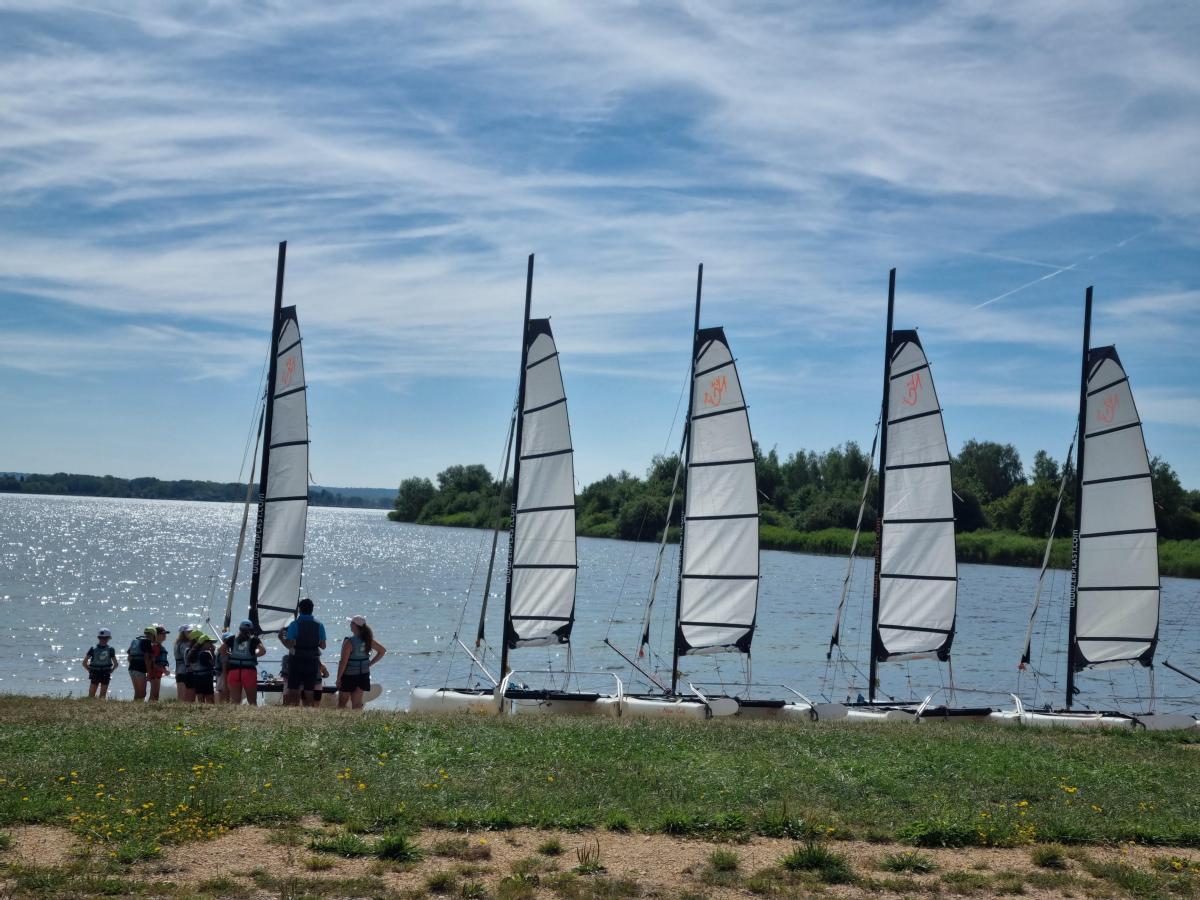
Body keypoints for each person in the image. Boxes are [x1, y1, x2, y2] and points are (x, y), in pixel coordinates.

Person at [281, 598, 326, 707]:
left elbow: (290, 644)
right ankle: (309, 711)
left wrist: (281, 638)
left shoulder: (294, 624)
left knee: (294, 688)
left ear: (300, 609)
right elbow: (323, 646)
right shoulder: (319, 625)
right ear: (312, 609)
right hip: (312, 660)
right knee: (309, 689)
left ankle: (294, 711)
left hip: (296, 660)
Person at [336, 616, 386, 710]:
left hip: (349, 675)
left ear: (355, 626)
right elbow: (382, 651)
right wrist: (370, 663)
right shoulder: (368, 640)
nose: (350, 625)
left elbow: (343, 662)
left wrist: (338, 678)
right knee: (357, 703)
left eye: (351, 623)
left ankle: (341, 722)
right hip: (363, 675)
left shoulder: (349, 642)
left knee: (342, 704)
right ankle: (356, 723)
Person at [222, 620, 266, 705]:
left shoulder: (232, 638)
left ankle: (234, 717)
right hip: (248, 672)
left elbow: (221, 650)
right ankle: (253, 717)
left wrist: (231, 655)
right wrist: (253, 655)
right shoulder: (254, 640)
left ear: (240, 629)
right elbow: (263, 651)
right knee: (252, 701)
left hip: (233, 671)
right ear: (251, 630)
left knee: (235, 701)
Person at [82, 629, 119, 699]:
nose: (103, 639)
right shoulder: (110, 649)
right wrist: (111, 670)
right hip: (105, 672)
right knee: (102, 694)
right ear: (109, 638)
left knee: (91, 693)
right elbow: (116, 664)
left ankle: (91, 706)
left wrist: (89, 670)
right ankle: (99, 706)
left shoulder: (93, 648)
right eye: (103, 638)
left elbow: (84, 663)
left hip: (95, 672)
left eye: (103, 638)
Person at [187, 631, 217, 705]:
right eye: (209, 643)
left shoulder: (192, 653)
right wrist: (213, 652)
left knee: (200, 697)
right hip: (206, 678)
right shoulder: (205, 654)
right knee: (209, 697)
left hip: (197, 678)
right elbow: (213, 664)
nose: (211, 645)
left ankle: (201, 711)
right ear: (204, 643)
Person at [127, 627, 155, 701]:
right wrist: (149, 673)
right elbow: (146, 658)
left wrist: (134, 664)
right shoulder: (147, 642)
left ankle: (134, 707)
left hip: (131, 668)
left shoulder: (136, 641)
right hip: (139, 669)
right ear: (153, 635)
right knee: (142, 693)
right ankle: (138, 709)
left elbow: (129, 658)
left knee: (137, 692)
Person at [148, 625, 169, 702]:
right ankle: (149, 709)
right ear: (156, 635)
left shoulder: (160, 647)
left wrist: (165, 669)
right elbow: (152, 663)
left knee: (155, 693)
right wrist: (163, 670)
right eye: (162, 634)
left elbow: (163, 661)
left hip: (158, 673)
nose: (164, 636)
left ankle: (149, 708)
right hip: (154, 673)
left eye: (165, 634)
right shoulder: (154, 647)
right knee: (155, 694)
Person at [174, 626, 195, 703]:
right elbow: (187, 658)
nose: (190, 633)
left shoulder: (177, 643)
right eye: (188, 632)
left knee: (180, 695)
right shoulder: (184, 645)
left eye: (191, 631)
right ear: (183, 633)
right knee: (185, 695)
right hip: (185, 671)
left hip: (179, 670)